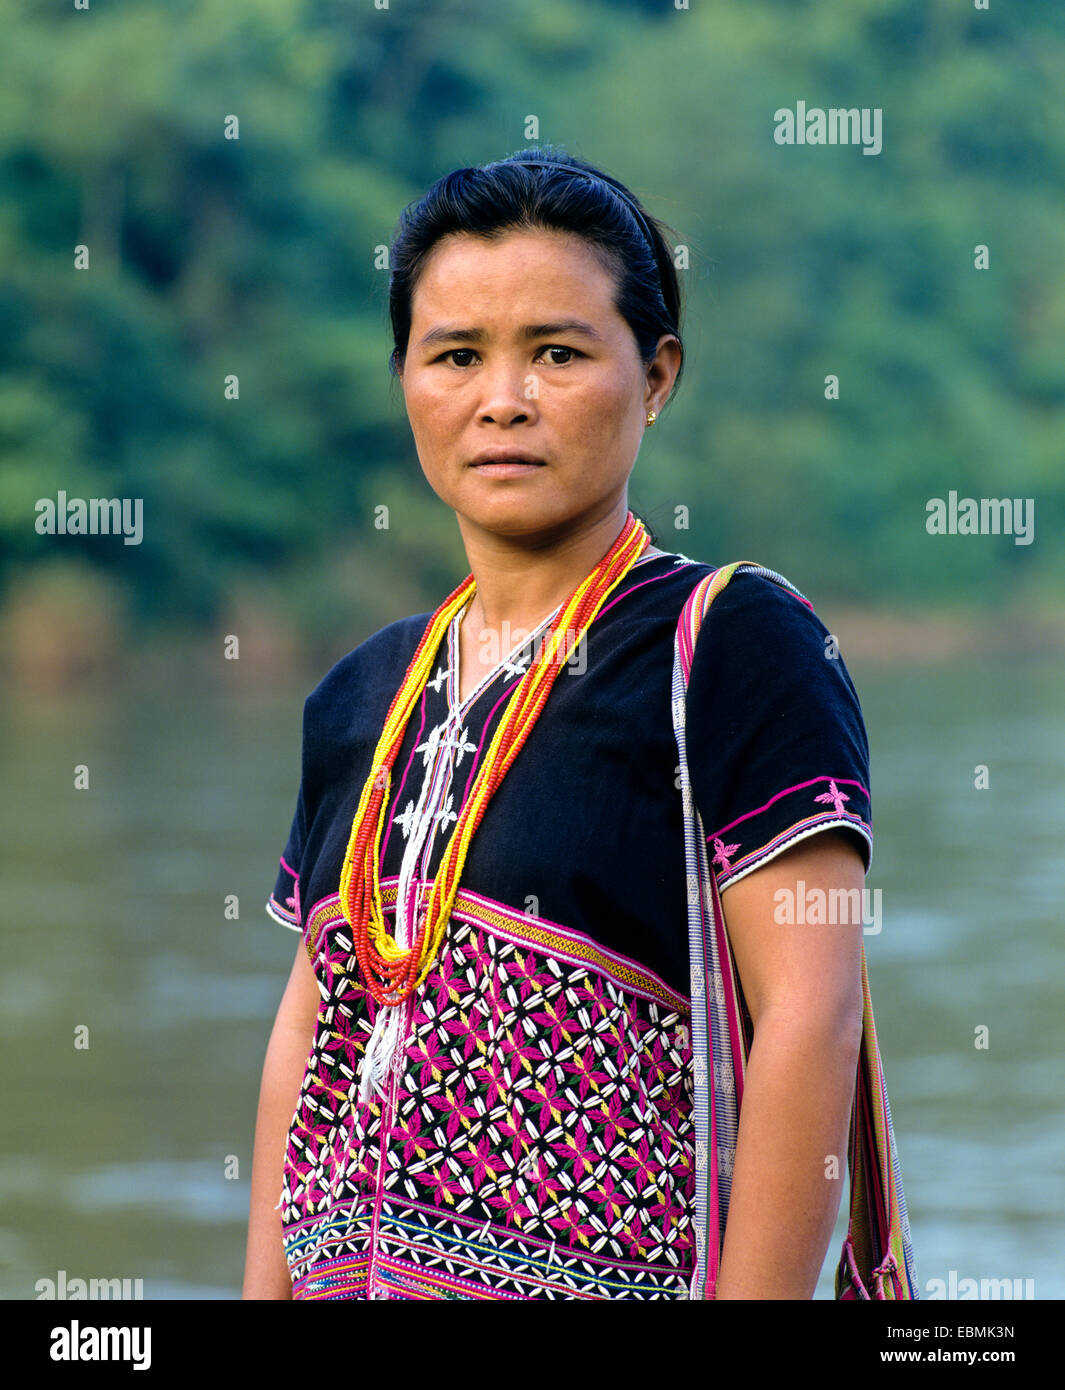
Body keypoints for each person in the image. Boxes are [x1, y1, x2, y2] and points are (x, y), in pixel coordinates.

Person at [242, 147, 873, 1301]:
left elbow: (810, 1019)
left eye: (559, 352)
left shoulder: (726, 641)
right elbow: (310, 1034)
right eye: (456, 356)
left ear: (658, 375)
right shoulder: (357, 695)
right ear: (406, 382)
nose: (502, 399)